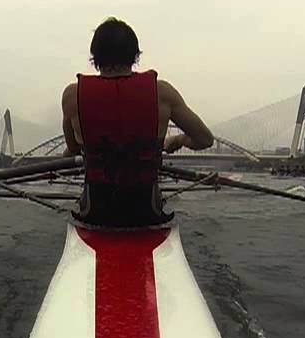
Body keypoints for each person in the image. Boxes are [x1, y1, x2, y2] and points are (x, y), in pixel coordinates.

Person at [60, 17, 214, 227]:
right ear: (135, 55)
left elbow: (72, 149)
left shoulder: (72, 96)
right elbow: (205, 140)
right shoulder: (162, 93)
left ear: (95, 56)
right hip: (147, 212)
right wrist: (179, 140)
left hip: (95, 213)